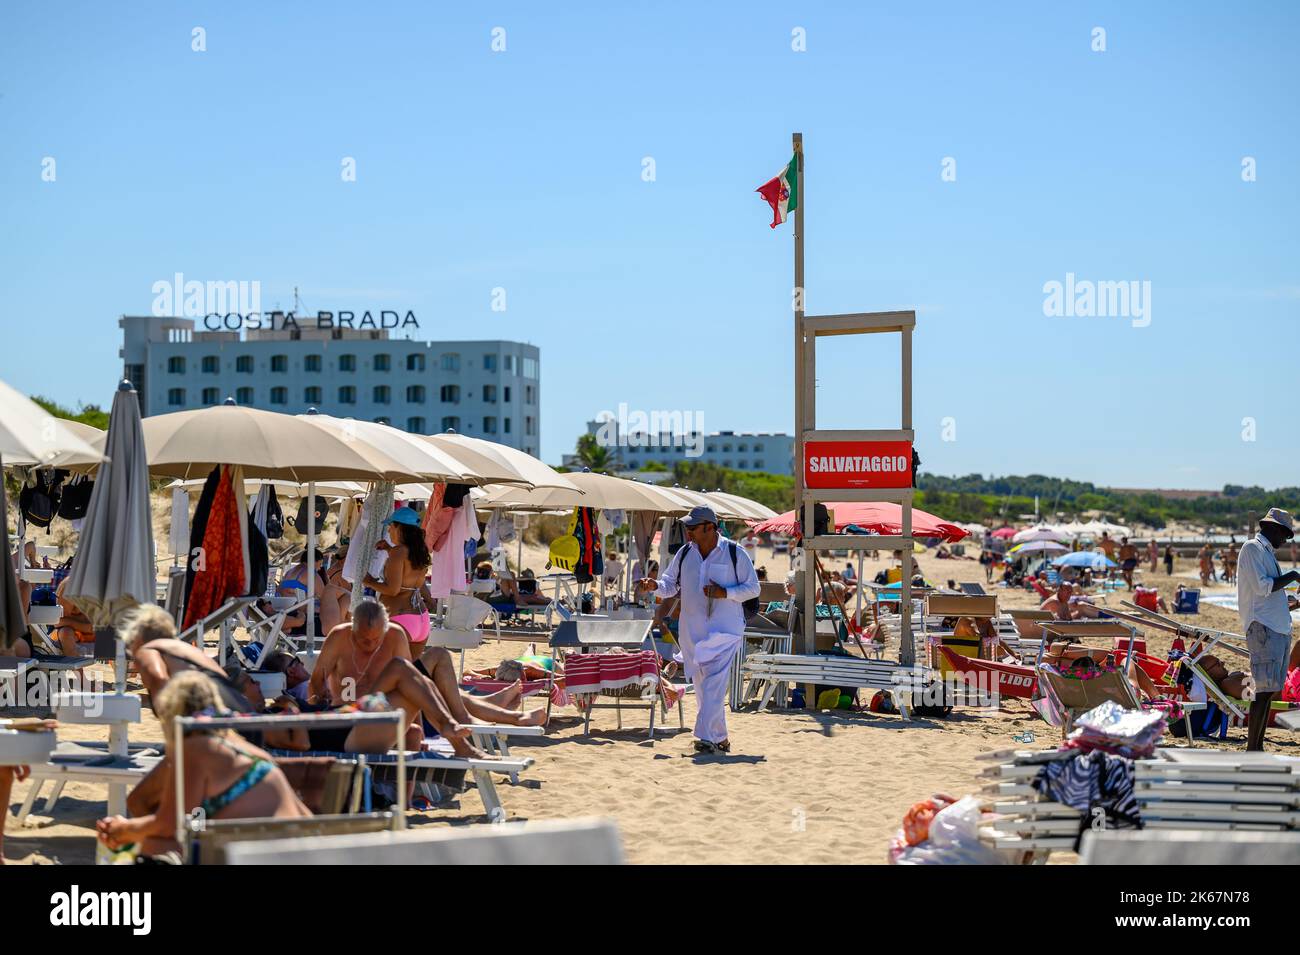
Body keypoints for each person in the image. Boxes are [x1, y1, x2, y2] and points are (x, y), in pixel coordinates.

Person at [97, 671, 311, 859]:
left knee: (158, 842)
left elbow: (168, 824)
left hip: (259, 855)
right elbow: (195, 817)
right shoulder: (245, 747)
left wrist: (123, 829)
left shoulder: (195, 748)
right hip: (300, 851)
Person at [308, 599, 545, 759]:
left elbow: (413, 684)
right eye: (362, 639)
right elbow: (316, 681)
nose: (369, 645)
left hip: (387, 708)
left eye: (375, 639)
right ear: (352, 628)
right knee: (421, 680)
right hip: (354, 715)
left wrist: (417, 730)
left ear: (385, 628)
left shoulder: (395, 636)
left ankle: (474, 716)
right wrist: (320, 701)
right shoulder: (338, 637)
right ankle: (491, 714)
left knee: (436, 660)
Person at [637, 506, 759, 755]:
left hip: (726, 630)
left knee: (714, 683)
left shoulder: (735, 553)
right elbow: (670, 585)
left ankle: (703, 738)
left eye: (692, 527)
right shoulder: (684, 553)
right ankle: (720, 737)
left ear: (709, 527)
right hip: (691, 632)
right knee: (704, 688)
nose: (688, 531)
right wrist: (654, 586)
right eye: (687, 527)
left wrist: (726, 593)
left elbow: (753, 588)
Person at [1235, 508, 1300, 751]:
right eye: (1284, 534)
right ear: (1272, 528)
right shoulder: (1252, 548)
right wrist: (1294, 575)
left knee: (1271, 690)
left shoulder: (1266, 552)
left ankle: (1257, 746)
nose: (1285, 540)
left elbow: (1269, 596)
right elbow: (1263, 587)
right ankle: (1253, 747)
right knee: (1263, 691)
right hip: (1263, 629)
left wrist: (1291, 603)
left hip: (1276, 629)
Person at [364, 506, 435, 655]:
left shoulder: (398, 552)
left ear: (399, 527)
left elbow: (393, 590)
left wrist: (369, 582)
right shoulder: (419, 552)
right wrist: (389, 549)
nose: (389, 530)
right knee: (410, 673)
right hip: (421, 620)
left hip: (400, 619)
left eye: (390, 526)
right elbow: (414, 579)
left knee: (384, 669)